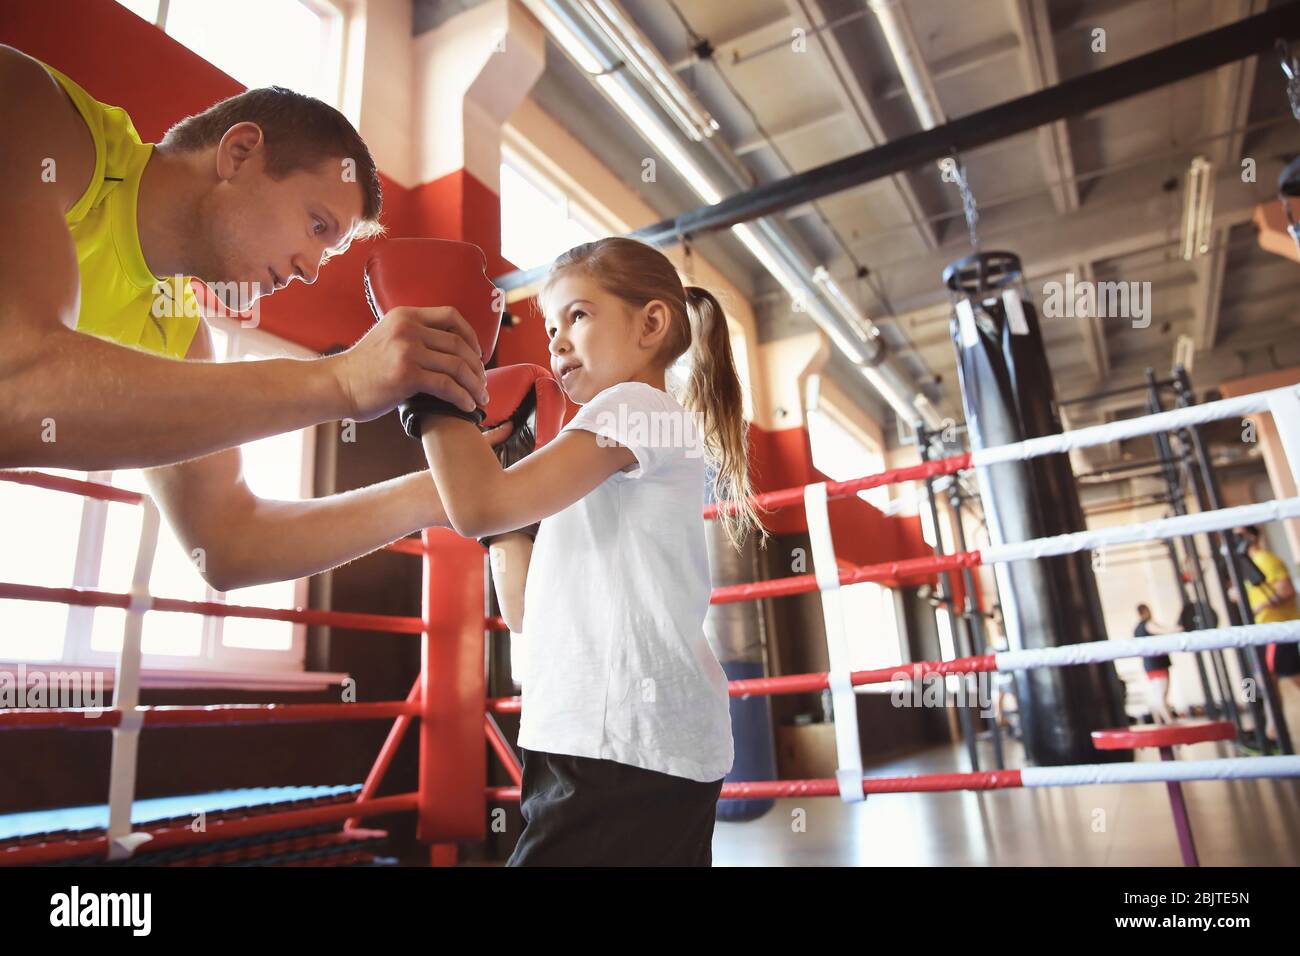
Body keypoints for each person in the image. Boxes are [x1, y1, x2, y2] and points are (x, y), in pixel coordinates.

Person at [0, 45, 494, 590]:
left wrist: (436, 490)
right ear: (239, 153)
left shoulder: (174, 330)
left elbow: (230, 542)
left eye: (328, 253)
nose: (311, 270)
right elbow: (16, 383)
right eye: (316, 226)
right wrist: (342, 381)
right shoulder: (34, 109)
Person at [412, 236, 765, 865]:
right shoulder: (600, 455)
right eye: (550, 326)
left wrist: (431, 389)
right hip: (605, 742)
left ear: (651, 323)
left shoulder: (635, 407)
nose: (556, 341)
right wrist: (509, 490)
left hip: (622, 746)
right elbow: (524, 611)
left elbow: (476, 506)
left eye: (578, 315)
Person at [1230, 525, 1299, 749]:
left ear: (1252, 536)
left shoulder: (1267, 560)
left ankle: (1269, 731)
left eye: (1240, 534)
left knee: (1274, 679)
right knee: (1257, 681)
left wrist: (1261, 606)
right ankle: (1267, 729)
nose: (1236, 539)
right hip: (1259, 632)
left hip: (1275, 629)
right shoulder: (1244, 567)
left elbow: (1287, 589)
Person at [1134, 603, 1178, 724]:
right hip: (1157, 665)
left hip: (1150, 665)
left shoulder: (1137, 628)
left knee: (1157, 695)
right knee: (1161, 696)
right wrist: (1179, 629)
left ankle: (1160, 723)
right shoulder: (1148, 625)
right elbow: (1165, 631)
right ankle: (1170, 723)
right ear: (1145, 612)